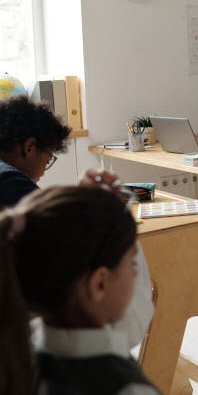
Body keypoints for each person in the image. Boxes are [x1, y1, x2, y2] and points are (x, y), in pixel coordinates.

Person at [0, 95, 153, 349]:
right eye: (48, 159)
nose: (43, 172)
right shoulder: (10, 183)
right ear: (29, 147)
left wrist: (78, 197)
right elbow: (52, 232)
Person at [0, 186, 159, 394]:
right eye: (132, 263)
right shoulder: (128, 389)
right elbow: (136, 320)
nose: (136, 274)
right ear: (99, 284)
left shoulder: (17, 358)